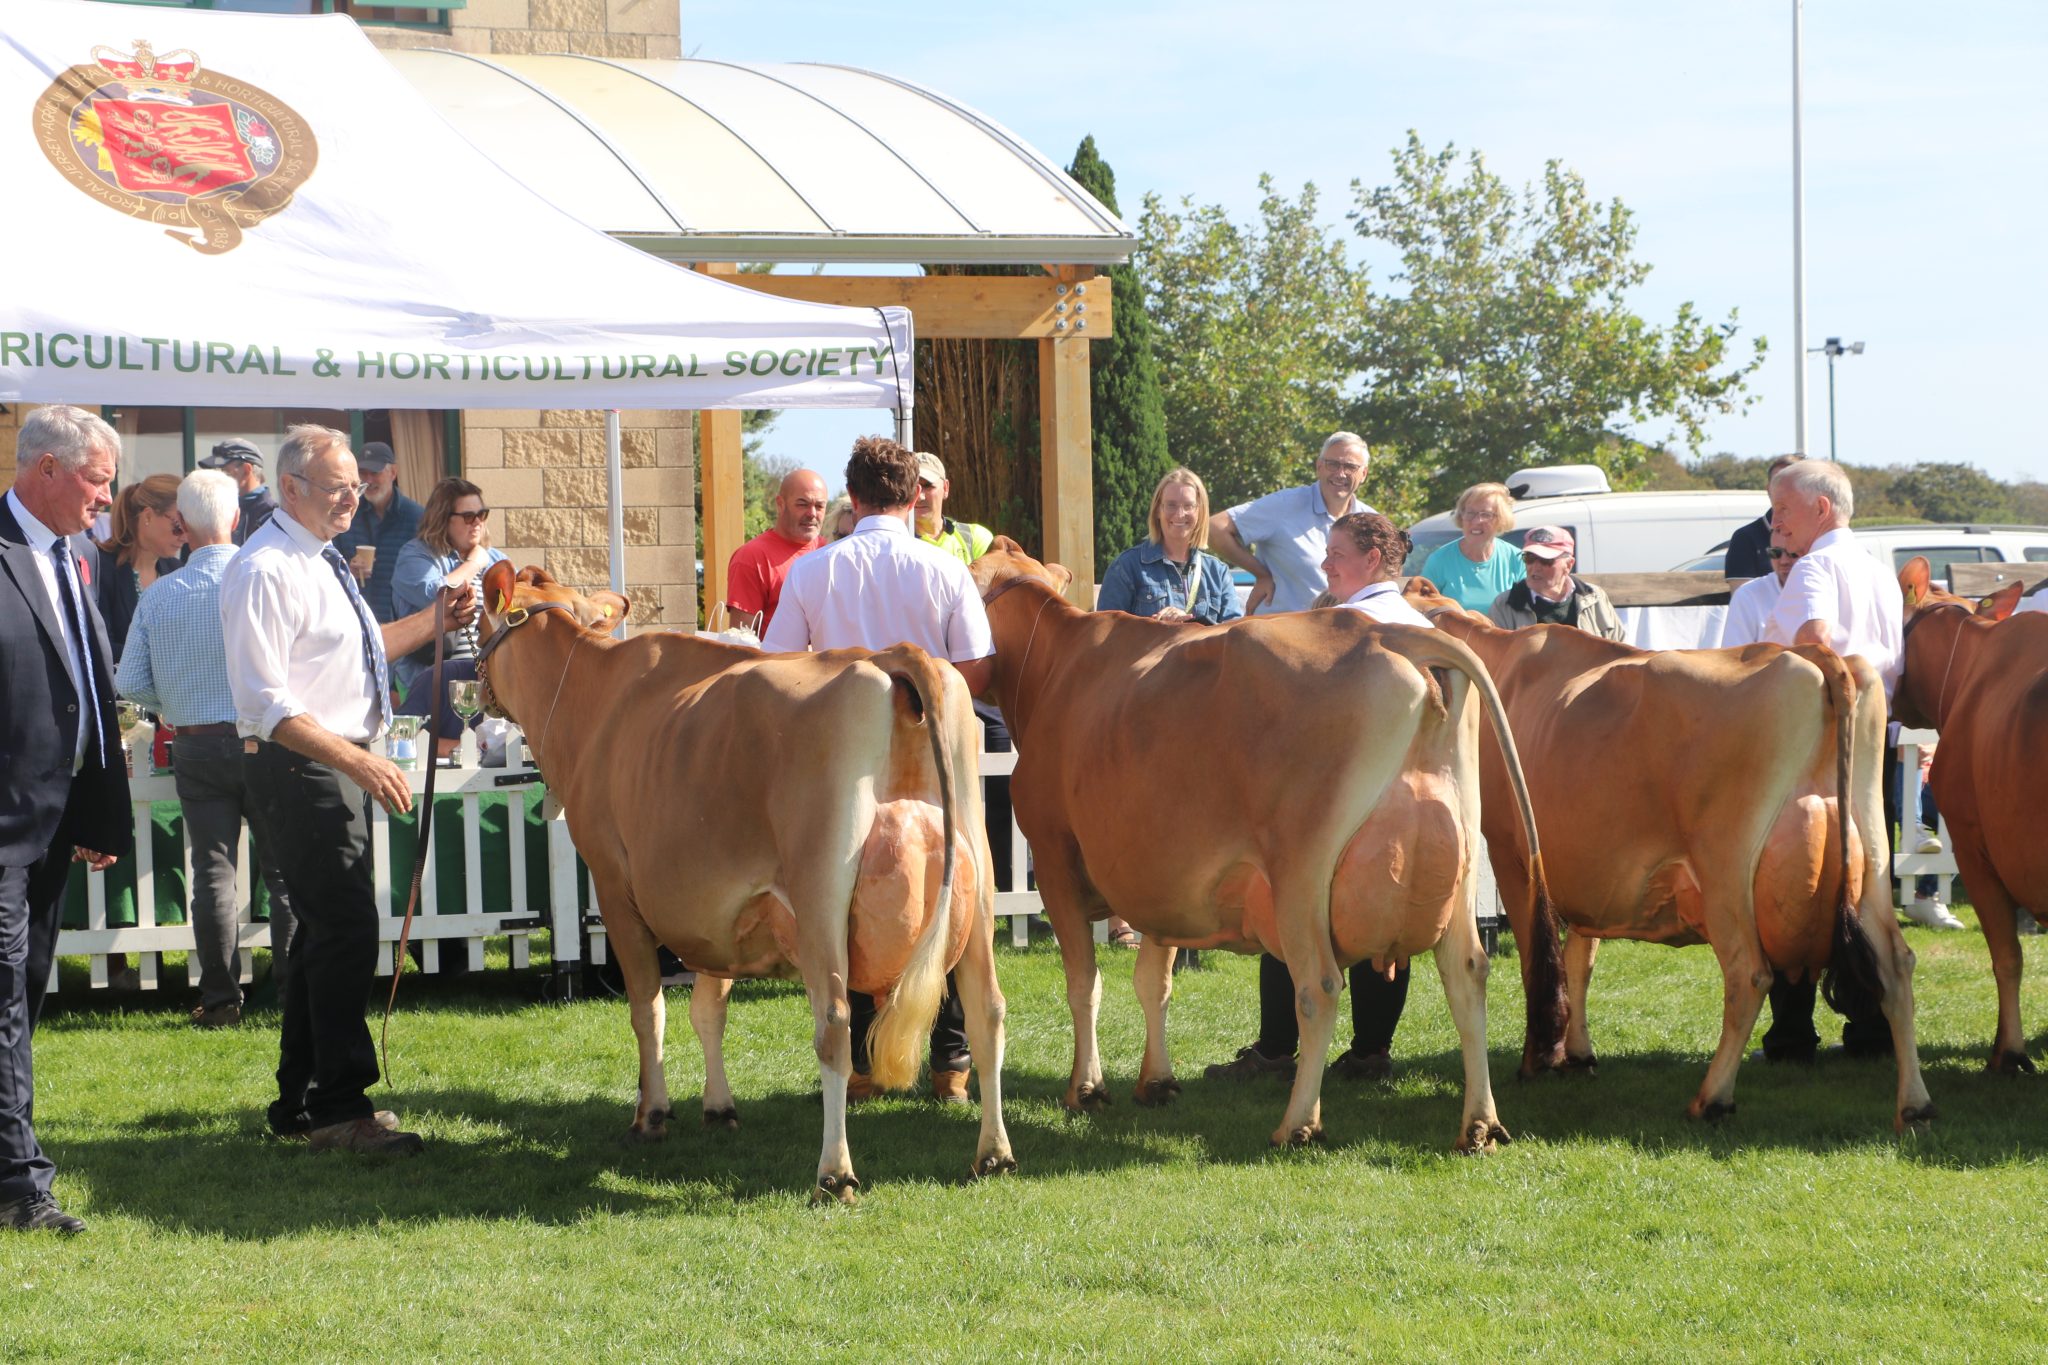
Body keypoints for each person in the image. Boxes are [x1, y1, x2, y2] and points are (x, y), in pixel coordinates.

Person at [221, 424, 475, 1156]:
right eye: (337, 486)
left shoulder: (318, 558)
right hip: (303, 763)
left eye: (354, 485)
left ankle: (304, 1098)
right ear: (291, 487)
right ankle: (337, 1105)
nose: (353, 497)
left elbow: (359, 648)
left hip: (327, 759)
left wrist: (435, 619)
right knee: (343, 930)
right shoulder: (267, 567)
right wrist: (358, 762)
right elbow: (265, 703)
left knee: (323, 932)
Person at [762, 436, 995, 1103]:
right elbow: (977, 664)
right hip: (932, 758)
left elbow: (781, 668)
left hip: (848, 761)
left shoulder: (812, 571)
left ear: (854, 495)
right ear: (915, 495)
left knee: (847, 896)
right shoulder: (946, 569)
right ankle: (951, 1064)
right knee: (948, 895)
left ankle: (864, 1064)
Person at [1208, 512, 1426, 1085]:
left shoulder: (1352, 624)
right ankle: (1372, 1052)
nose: (1324, 564)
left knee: (1291, 909)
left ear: (1371, 560)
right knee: (1388, 930)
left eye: (1335, 554)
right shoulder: (1417, 622)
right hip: (1415, 800)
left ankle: (1279, 1052)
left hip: (1342, 795)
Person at [1, 406, 131, 1234]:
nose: (106, 501)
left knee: (23, 990)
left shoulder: (75, 556)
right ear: (44, 468)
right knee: (4, 1001)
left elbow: (89, 687)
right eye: (95, 480)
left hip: (52, 821)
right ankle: (20, 1185)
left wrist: (95, 813)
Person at [116, 471, 298, 1031]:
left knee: (212, 874)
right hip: (266, 740)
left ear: (183, 525)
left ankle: (220, 999)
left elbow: (131, 684)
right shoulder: (268, 580)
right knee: (284, 874)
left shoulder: (160, 594)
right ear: (238, 519)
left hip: (194, 744)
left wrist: (176, 699)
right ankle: (296, 992)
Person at [1755, 458, 1909, 1060]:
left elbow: (1815, 640)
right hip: (1873, 743)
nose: (1775, 524)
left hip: (1815, 738)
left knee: (1798, 880)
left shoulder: (1816, 564)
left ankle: (1792, 1029)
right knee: (1868, 876)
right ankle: (1870, 1024)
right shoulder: (1878, 572)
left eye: (1783, 509)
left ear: (1821, 509)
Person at [390, 478, 506, 760]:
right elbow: (439, 595)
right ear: (444, 518)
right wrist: (474, 564)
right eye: (468, 516)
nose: (477, 522)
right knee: (410, 751)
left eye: (482, 515)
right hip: (432, 685)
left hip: (487, 684)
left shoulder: (497, 561)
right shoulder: (415, 555)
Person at [1208, 432, 1373, 615]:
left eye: (1350, 466)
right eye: (1332, 464)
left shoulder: (1370, 522)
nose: (1340, 473)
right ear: (1319, 467)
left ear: (1364, 474)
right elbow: (1215, 528)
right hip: (1279, 635)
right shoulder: (1284, 505)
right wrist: (1261, 574)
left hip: (1340, 635)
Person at [1097, 467, 1244, 626]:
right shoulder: (1126, 567)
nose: (1180, 514)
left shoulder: (1218, 572)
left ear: (1200, 512)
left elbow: (1235, 637)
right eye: (1171, 505)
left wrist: (1192, 622)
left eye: (1188, 506)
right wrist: (1157, 628)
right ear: (1157, 510)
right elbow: (1104, 636)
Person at [93, 473, 186, 664]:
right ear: (148, 516)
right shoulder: (101, 568)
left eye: (190, 526)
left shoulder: (177, 570)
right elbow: (100, 646)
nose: (184, 537)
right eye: (178, 526)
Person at [725, 468, 828, 633]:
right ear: (780, 504)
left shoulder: (830, 553)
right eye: (802, 504)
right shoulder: (752, 558)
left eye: (819, 506)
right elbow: (741, 640)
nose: (812, 513)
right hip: (773, 658)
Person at [332, 441, 422, 624]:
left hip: (401, 624)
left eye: (375, 473)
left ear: (393, 473)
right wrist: (347, 569)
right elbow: (328, 565)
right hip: (356, 623)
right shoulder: (346, 514)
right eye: (363, 473)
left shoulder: (416, 517)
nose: (368, 480)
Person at [1487, 526, 1626, 640]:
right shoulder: (1504, 605)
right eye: (1529, 558)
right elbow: (1498, 663)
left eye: (1546, 560)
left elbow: (1620, 651)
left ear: (1569, 564)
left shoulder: (1594, 597)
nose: (1535, 567)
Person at [1420, 482, 1526, 613]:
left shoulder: (1516, 559)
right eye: (1470, 513)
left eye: (1486, 514)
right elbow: (1422, 609)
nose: (1476, 521)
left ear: (1501, 519)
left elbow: (1527, 613)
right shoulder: (1439, 561)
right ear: (1461, 516)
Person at [1717, 521, 1800, 648]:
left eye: (1793, 554)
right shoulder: (1748, 595)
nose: (1783, 561)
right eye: (1775, 553)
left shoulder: (1828, 586)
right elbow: (1734, 658)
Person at [1722, 454, 1802, 580]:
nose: (1783, 490)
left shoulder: (1816, 534)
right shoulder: (1745, 538)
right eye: (1777, 483)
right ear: (1768, 489)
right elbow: (1742, 596)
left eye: (1791, 483)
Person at [912, 451, 995, 566]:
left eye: (928, 486)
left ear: (945, 488)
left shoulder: (973, 537)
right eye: (913, 487)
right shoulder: (897, 544)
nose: (920, 496)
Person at [196, 438, 279, 546]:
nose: (216, 477)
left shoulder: (272, 517)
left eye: (224, 471)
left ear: (246, 469)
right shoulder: (215, 510)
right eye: (214, 472)